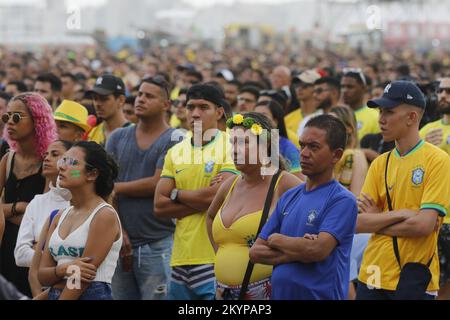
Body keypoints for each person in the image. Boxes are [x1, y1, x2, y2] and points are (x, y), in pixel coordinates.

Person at [356, 81, 450, 300]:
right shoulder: (380, 163)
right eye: (380, 111)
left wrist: (378, 219)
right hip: (372, 271)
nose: (381, 119)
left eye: (389, 112)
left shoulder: (437, 160)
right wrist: (401, 214)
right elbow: (358, 223)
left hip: (414, 274)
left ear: (412, 118)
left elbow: (424, 225)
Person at [250, 114, 358, 300]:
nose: (304, 153)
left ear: (336, 155)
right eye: (302, 145)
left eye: (314, 147)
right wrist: (301, 248)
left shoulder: (342, 200)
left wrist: (277, 240)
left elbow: (318, 250)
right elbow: (256, 252)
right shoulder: (289, 197)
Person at [154, 84, 239, 300]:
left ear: (219, 112)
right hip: (180, 258)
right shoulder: (175, 152)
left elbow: (218, 197)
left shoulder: (231, 145)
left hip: (215, 256)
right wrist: (204, 197)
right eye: (190, 107)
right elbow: (159, 205)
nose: (195, 113)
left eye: (203, 107)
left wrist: (176, 193)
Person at [206, 112, 302, 300]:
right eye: (233, 143)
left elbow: (316, 214)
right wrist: (221, 255)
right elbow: (210, 217)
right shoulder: (229, 184)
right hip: (222, 292)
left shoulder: (284, 183)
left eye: (244, 143)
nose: (235, 150)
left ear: (265, 144)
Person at [107, 77, 180, 300]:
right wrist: (119, 230)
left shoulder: (175, 139)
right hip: (118, 242)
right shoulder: (117, 137)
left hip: (157, 243)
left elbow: (157, 183)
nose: (141, 99)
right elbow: (104, 189)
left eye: (149, 96)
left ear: (166, 105)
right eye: (139, 94)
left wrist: (115, 187)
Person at [38, 141, 122, 300]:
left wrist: (60, 274)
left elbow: (81, 279)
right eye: (63, 161)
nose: (62, 167)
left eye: (73, 163)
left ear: (92, 174)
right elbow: (42, 275)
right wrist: (63, 270)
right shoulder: (59, 217)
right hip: (56, 294)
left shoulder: (104, 215)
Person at [0, 93, 57, 297]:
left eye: (17, 117)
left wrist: (6, 211)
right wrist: (20, 208)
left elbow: (44, 219)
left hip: (33, 249)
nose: (10, 123)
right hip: (4, 244)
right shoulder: (8, 159)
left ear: (38, 121)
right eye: (7, 117)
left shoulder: (50, 162)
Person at [15, 140, 73, 297]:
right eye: (46, 154)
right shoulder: (37, 201)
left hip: (75, 287)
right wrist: (57, 258)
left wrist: (39, 250)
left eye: (55, 154)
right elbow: (20, 255)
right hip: (38, 287)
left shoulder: (78, 203)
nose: (46, 158)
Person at [329, 106, 370, 300]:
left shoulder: (356, 155)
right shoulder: (327, 155)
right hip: (329, 222)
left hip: (347, 226)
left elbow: (355, 199)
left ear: (349, 129)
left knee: (342, 275)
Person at [419, 77, 450, 299]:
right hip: (432, 219)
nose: (442, 95)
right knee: (432, 285)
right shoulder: (427, 130)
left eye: (449, 91)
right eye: (440, 90)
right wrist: (427, 145)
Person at [254, 100, 302, 178]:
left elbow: (299, 179)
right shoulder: (249, 144)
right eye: (255, 116)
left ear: (275, 121)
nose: (257, 121)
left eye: (263, 116)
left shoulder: (288, 147)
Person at [88, 74, 131, 146]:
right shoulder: (92, 133)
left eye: (104, 99)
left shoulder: (134, 134)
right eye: (95, 98)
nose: (97, 104)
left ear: (121, 100)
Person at [341, 68, 380, 141]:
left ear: (364, 88)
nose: (344, 91)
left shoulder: (375, 117)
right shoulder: (338, 115)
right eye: (343, 87)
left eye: (350, 87)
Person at [285, 70, 321, 137]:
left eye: (305, 85)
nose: (299, 88)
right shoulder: (287, 119)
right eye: (297, 85)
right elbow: (275, 146)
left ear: (317, 88)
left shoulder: (325, 116)